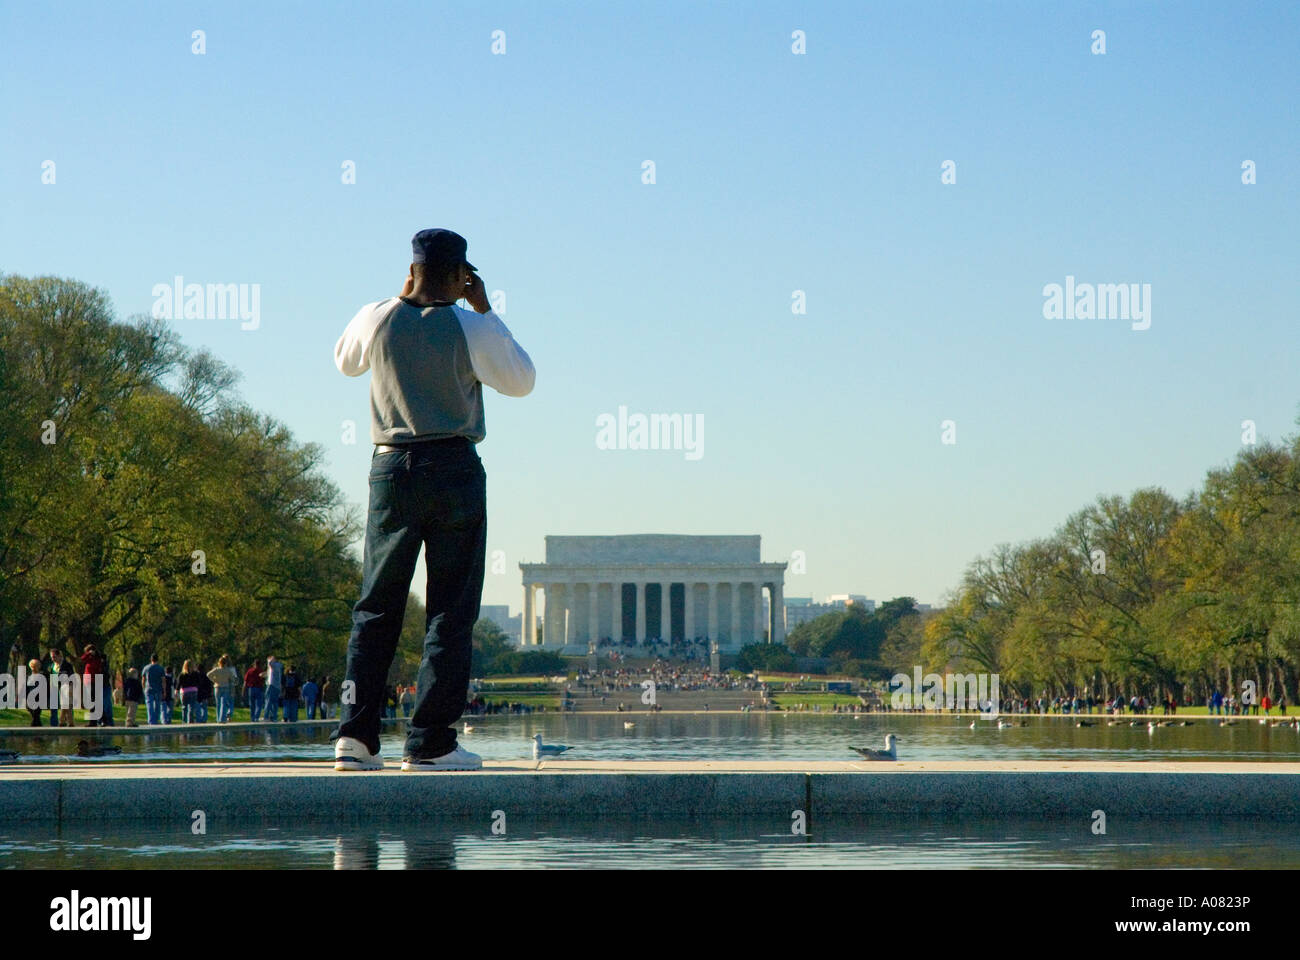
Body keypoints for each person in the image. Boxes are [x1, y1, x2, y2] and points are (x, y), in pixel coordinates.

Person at [330, 229, 534, 773]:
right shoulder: (469, 324)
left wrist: (397, 298)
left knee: (376, 605)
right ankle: (430, 743)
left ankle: (355, 738)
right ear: (460, 277)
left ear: (411, 269)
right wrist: (486, 310)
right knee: (450, 610)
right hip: (452, 467)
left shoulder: (376, 316)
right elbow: (521, 380)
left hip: (390, 467)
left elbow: (345, 362)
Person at [208, 656, 238, 723]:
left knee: (218, 704)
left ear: (219, 663)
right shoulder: (228, 670)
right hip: (225, 687)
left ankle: (218, 719)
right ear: (226, 663)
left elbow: (208, 674)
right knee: (223, 703)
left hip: (217, 687)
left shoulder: (216, 669)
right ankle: (222, 719)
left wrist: (214, 680)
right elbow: (233, 679)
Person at [141, 655, 165, 725]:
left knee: (149, 705)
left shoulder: (146, 668)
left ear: (151, 659)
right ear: (157, 659)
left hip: (148, 689)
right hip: (158, 689)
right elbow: (163, 680)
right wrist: (164, 690)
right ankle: (156, 720)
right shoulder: (160, 668)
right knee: (157, 705)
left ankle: (151, 721)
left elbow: (143, 679)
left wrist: (143, 688)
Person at [264, 655, 283, 722]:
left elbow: (269, 663)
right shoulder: (279, 665)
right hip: (277, 686)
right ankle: (273, 716)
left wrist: (270, 659)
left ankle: (266, 716)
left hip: (271, 685)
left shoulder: (274, 665)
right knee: (275, 702)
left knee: (268, 701)